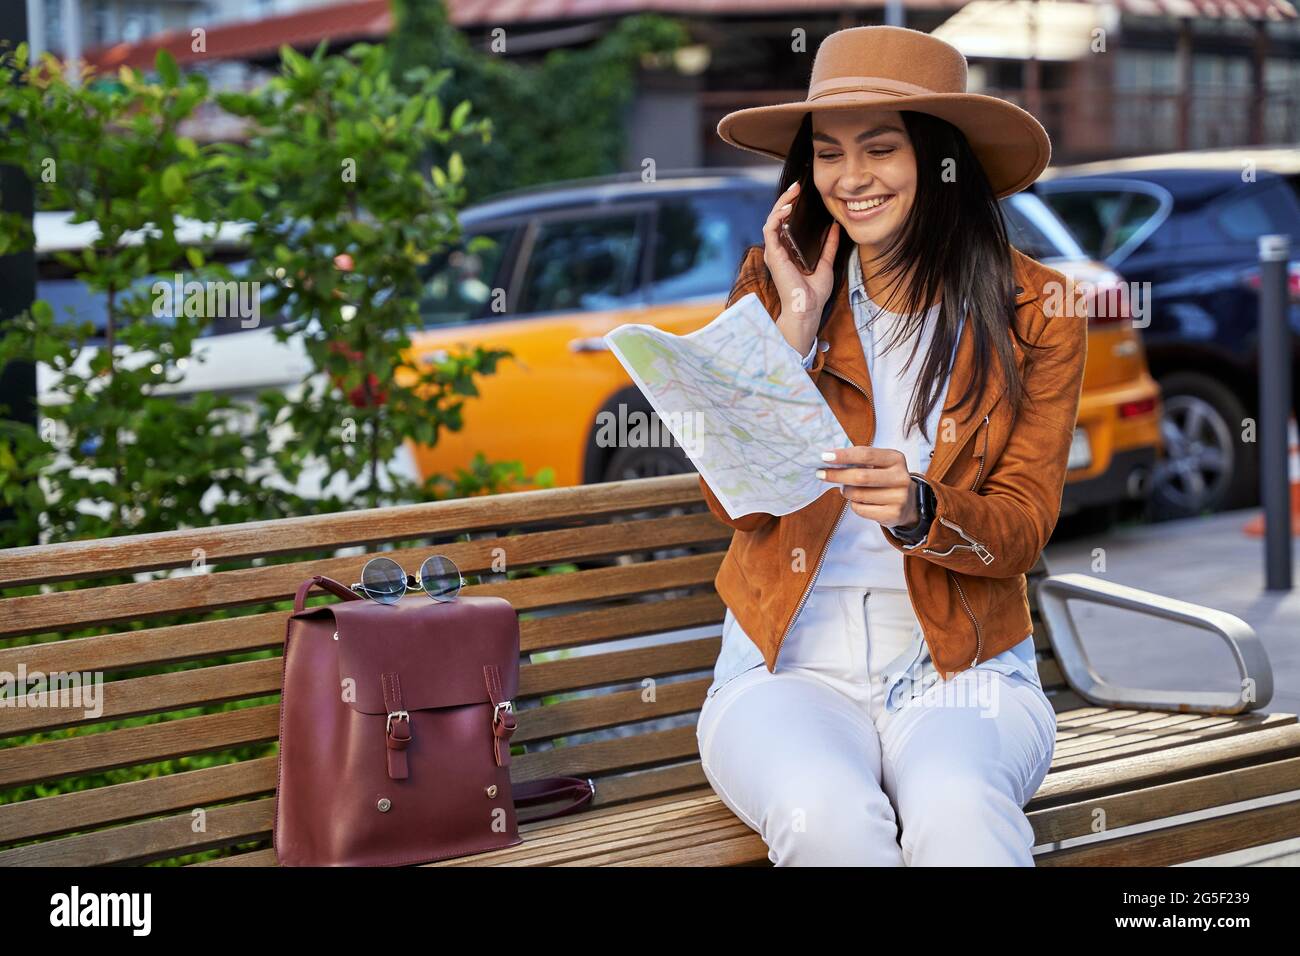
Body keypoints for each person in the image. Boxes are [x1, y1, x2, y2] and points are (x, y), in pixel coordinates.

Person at [694, 25, 1088, 866]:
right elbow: (731, 501)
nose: (851, 178)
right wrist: (793, 332)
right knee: (826, 816)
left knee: (958, 816)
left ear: (943, 160)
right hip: (784, 674)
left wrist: (921, 510)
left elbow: (1021, 528)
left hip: (963, 673)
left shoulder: (1037, 309)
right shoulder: (772, 285)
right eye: (829, 154)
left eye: (881, 149)